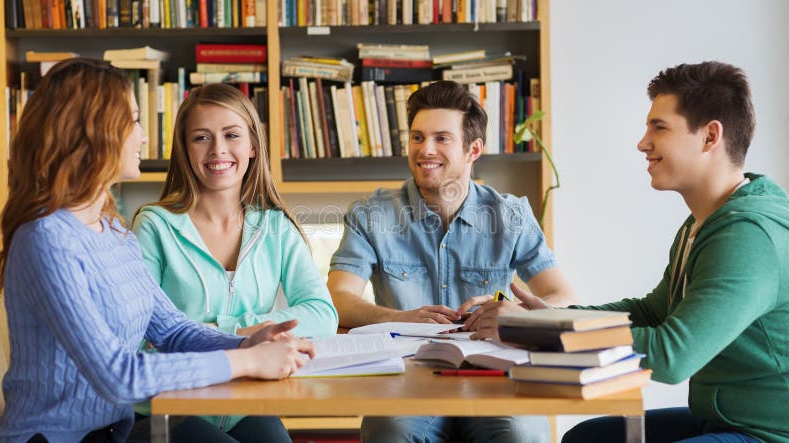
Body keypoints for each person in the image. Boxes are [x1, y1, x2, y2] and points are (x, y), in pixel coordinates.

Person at [0, 58, 315, 443]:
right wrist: (245, 360)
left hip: (112, 433)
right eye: (133, 121)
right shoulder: (45, 239)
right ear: (91, 132)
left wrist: (247, 342)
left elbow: (172, 330)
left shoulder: (114, 231)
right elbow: (118, 377)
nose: (143, 137)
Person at [475, 61, 789, 443]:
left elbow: (672, 356)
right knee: (585, 439)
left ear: (710, 137)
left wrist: (541, 331)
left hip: (767, 433)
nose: (643, 143)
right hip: (724, 419)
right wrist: (556, 316)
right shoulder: (703, 223)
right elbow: (654, 312)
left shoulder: (748, 235)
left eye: (659, 128)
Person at [327, 80, 578, 443]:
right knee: (388, 431)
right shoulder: (371, 215)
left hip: (497, 384)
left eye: (441, 138)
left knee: (523, 435)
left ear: (473, 149)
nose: (425, 149)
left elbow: (563, 297)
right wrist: (399, 318)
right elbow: (337, 299)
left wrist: (516, 315)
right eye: (417, 137)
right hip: (407, 385)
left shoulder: (512, 216)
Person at [131, 83, 338, 437]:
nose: (218, 150)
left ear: (253, 145)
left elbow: (322, 313)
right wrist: (242, 339)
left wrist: (238, 330)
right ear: (184, 148)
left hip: (246, 403)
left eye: (231, 135)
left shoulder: (275, 227)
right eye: (201, 137)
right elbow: (139, 342)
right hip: (168, 408)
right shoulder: (154, 226)